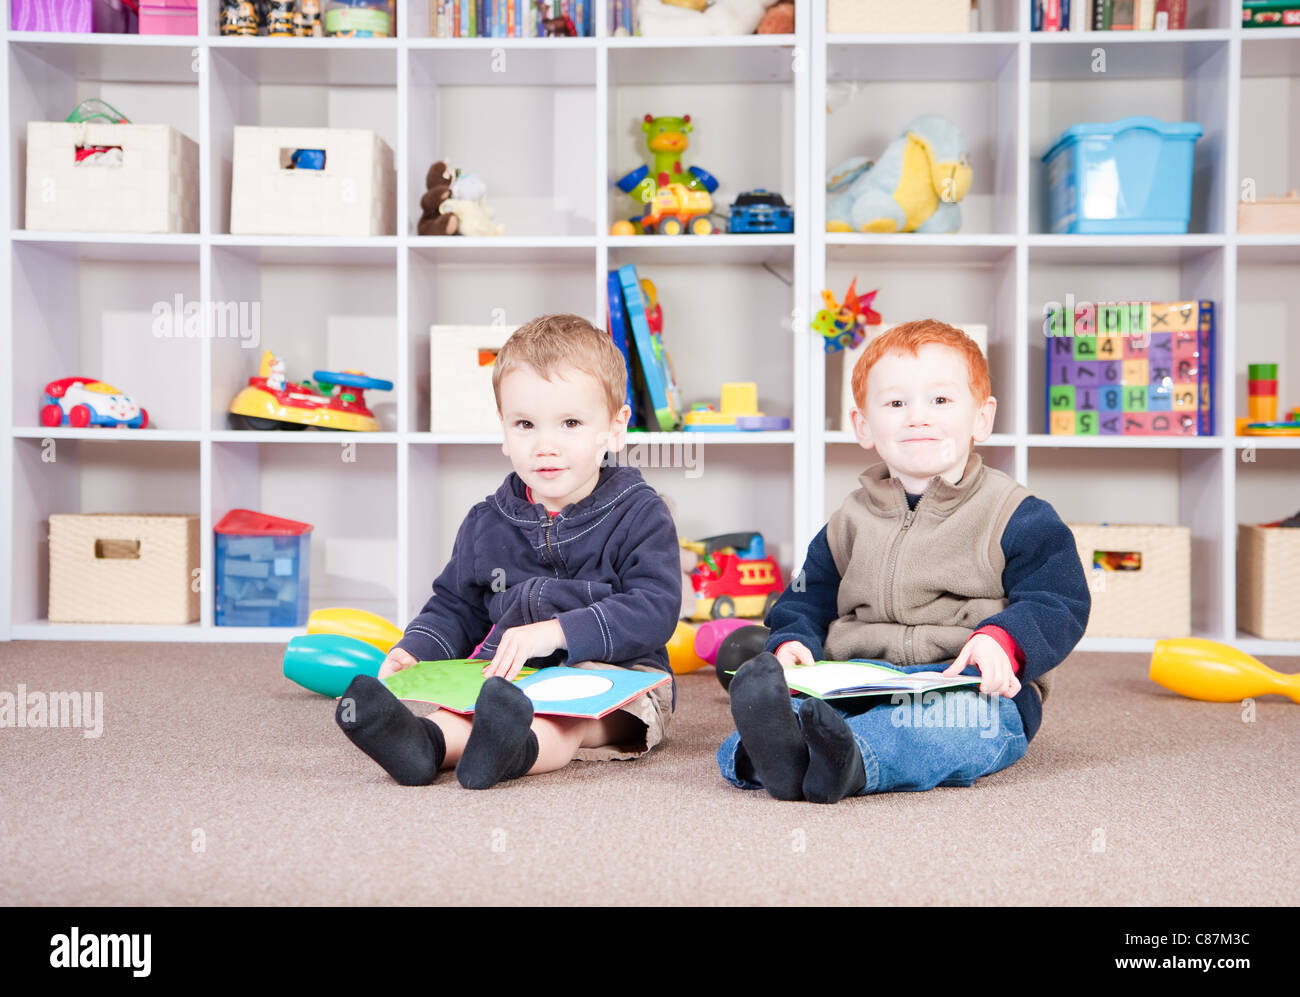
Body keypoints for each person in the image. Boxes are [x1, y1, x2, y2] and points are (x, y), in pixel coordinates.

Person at [717, 319, 1091, 803]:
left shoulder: (1015, 513)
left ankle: (849, 761)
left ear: (981, 417)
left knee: (947, 730)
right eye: (896, 403)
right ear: (864, 426)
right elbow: (806, 598)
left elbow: (1059, 598)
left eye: (940, 400)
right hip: (859, 679)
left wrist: (1005, 640)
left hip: (965, 686)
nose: (918, 417)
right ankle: (771, 758)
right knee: (788, 714)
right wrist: (793, 642)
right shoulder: (847, 520)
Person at [337, 314, 681, 789]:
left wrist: (557, 632)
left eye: (571, 423)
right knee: (463, 712)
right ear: (503, 430)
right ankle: (423, 745)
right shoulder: (486, 522)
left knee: (564, 719)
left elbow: (654, 609)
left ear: (615, 428)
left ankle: (511, 751)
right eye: (525, 424)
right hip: (510, 676)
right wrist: (417, 648)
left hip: (619, 677)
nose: (545, 445)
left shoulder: (640, 512)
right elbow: (456, 606)